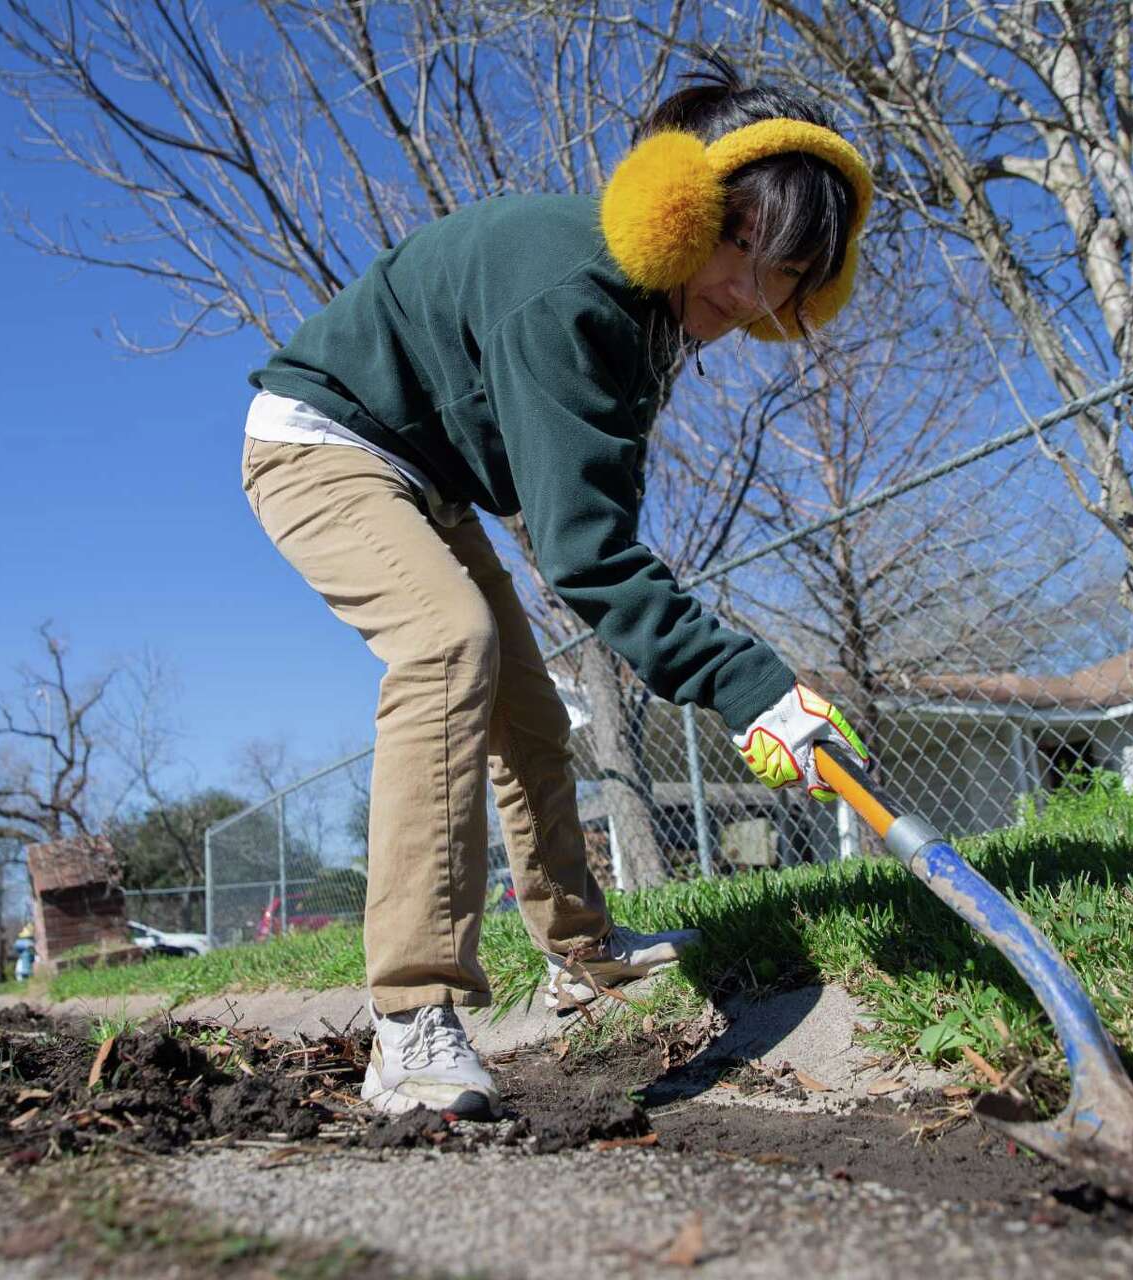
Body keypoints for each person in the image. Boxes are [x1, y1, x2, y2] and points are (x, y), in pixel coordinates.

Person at [241, 61, 877, 1119]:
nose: (751, 294)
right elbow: (585, 558)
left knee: (529, 711)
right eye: (741, 249)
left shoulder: (648, 322)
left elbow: (591, 523)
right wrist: (753, 685)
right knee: (449, 644)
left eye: (788, 275)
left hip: (425, 485)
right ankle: (410, 1018)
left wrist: (724, 670)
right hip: (317, 447)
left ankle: (582, 956)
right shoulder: (572, 285)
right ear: (680, 209)